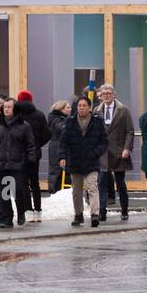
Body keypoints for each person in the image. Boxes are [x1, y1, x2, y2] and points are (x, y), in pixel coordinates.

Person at [0, 97, 36, 229]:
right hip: (1, 164)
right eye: (4, 107)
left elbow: (30, 145)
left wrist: (31, 159)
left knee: (18, 190)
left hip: (18, 164)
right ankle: (7, 218)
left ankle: (21, 212)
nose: (6, 109)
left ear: (15, 109)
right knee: (4, 193)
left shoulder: (24, 126)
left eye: (8, 107)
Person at [58, 95, 109, 227]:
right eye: (79, 106)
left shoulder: (97, 122)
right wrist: (62, 157)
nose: (81, 108)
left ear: (89, 107)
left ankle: (94, 215)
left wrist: (95, 153)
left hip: (91, 160)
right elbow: (63, 141)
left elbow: (104, 142)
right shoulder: (70, 122)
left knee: (92, 187)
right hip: (75, 160)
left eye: (84, 106)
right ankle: (78, 215)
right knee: (77, 190)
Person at [96, 84, 134, 222]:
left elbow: (130, 131)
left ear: (113, 95)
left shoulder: (123, 110)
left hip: (119, 153)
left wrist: (127, 148)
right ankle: (102, 211)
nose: (106, 95)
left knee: (120, 183)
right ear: (101, 95)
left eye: (109, 93)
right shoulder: (97, 111)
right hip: (103, 154)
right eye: (104, 93)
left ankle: (124, 210)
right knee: (101, 183)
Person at [14, 89, 50, 221]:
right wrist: (37, 144)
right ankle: (38, 211)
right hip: (35, 153)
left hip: (19, 154)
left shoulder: (15, 115)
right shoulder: (39, 114)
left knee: (23, 182)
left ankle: (28, 210)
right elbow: (47, 134)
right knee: (35, 183)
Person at [47, 99, 72, 194]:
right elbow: (62, 128)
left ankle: (66, 194)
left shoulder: (65, 119)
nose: (70, 109)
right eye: (68, 107)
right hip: (56, 148)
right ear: (61, 109)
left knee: (67, 172)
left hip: (64, 148)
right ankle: (54, 192)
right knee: (56, 171)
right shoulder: (54, 119)